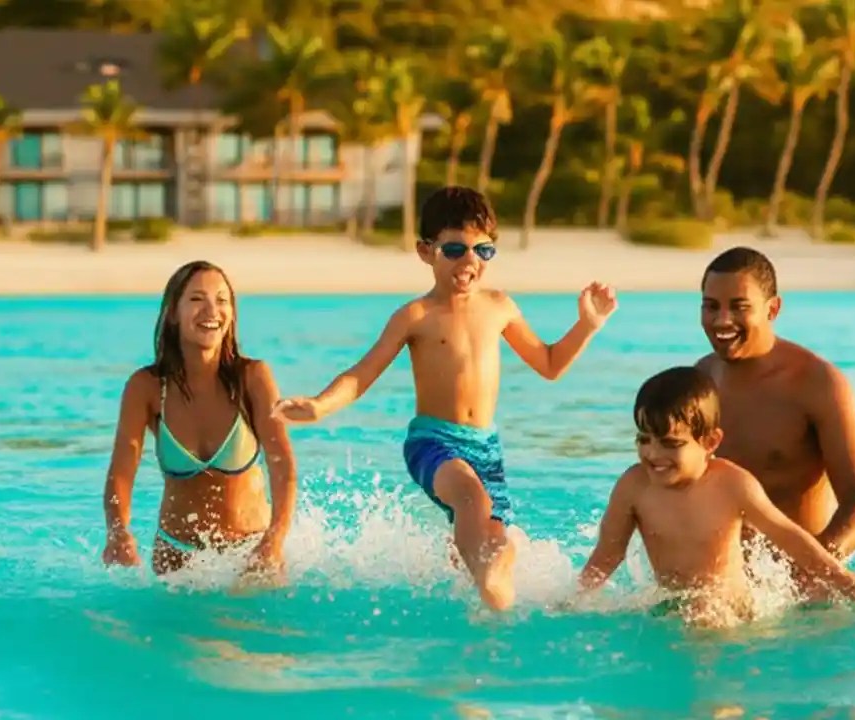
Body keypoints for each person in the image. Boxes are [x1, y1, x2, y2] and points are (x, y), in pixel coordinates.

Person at [272, 186, 618, 611]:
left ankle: (490, 607)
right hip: (433, 441)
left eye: (483, 251)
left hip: (486, 447)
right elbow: (362, 375)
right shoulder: (415, 317)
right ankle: (486, 576)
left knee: (496, 541)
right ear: (425, 251)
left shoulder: (500, 307)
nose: (470, 261)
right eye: (454, 249)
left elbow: (549, 364)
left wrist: (588, 325)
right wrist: (320, 405)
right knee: (472, 499)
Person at [577, 367, 855, 628]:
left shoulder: (732, 485)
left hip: (738, 610)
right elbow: (607, 555)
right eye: (644, 440)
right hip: (675, 606)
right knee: (689, 611)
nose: (653, 454)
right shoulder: (634, 486)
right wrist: (577, 599)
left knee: (705, 608)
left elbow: (789, 538)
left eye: (671, 444)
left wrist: (849, 583)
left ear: (711, 441)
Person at [101, 260, 297, 581]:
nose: (211, 311)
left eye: (222, 300)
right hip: (176, 556)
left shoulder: (253, 378)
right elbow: (120, 475)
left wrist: (274, 540)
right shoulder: (147, 387)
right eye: (196, 299)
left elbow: (283, 467)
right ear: (173, 314)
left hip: (250, 554)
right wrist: (118, 531)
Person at [695, 247, 855, 568]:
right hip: (720, 582)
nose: (722, 320)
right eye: (711, 307)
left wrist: (816, 568)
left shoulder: (818, 383)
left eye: (739, 307)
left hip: (796, 591)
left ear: (772, 309)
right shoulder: (700, 380)